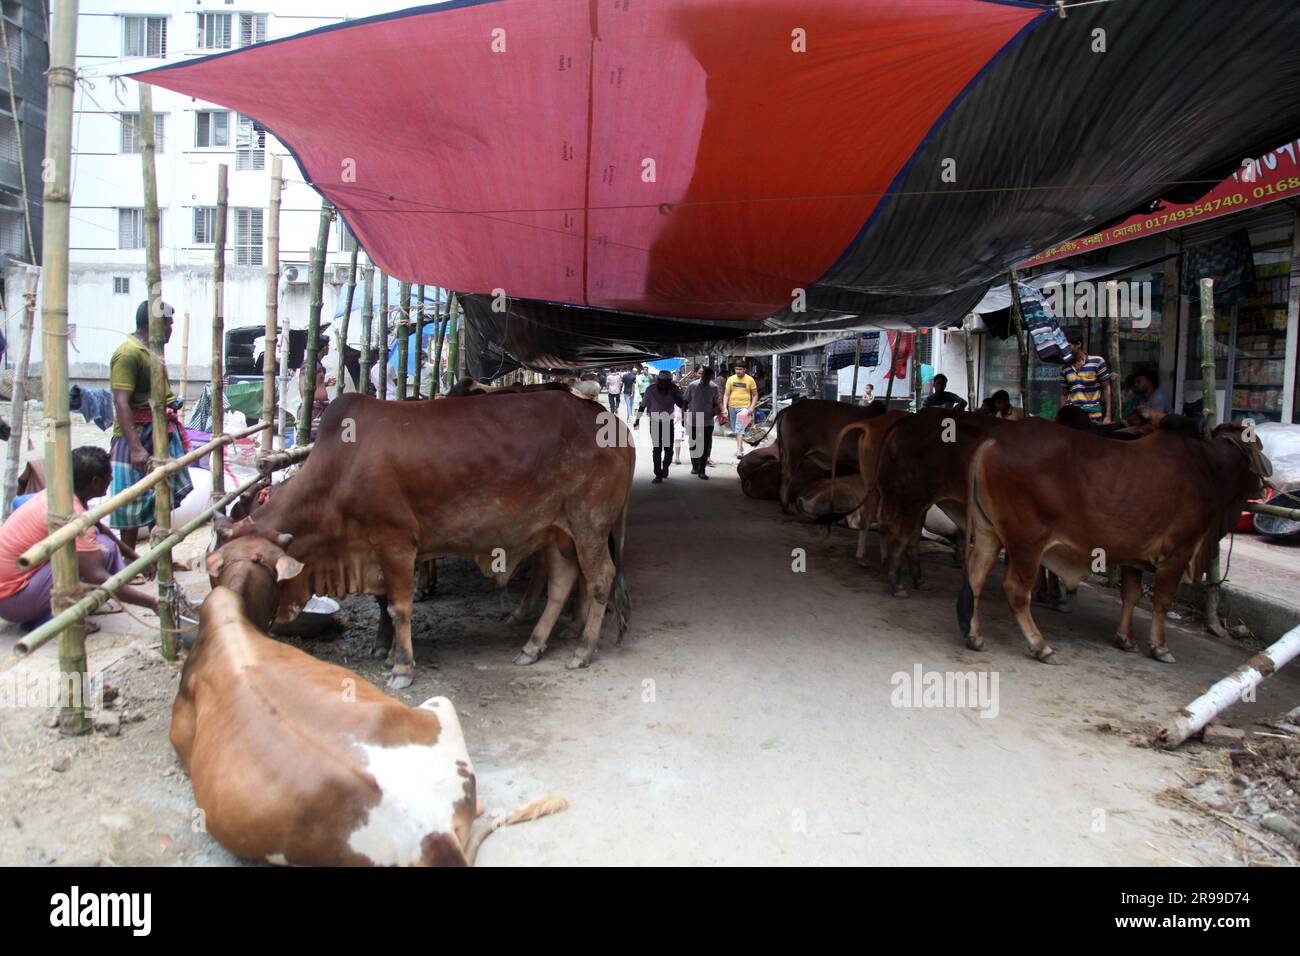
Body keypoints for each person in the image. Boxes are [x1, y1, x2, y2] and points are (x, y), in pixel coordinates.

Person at [0, 447, 158, 629]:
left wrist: (137, 559)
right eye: (109, 475)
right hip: (13, 599)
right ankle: (55, 618)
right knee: (93, 556)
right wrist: (152, 603)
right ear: (95, 482)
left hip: (11, 594)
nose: (112, 479)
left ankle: (55, 611)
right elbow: (97, 576)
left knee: (105, 546)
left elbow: (99, 527)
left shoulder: (61, 493)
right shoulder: (71, 513)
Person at [108, 300, 193, 554]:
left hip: (160, 430)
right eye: (168, 324)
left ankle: (159, 557)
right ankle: (130, 562)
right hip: (135, 434)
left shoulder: (153, 352)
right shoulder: (128, 353)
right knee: (131, 500)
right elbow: (122, 403)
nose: (171, 330)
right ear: (155, 324)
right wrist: (135, 448)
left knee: (162, 496)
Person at [634, 370, 685, 482]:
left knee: (668, 449)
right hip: (655, 421)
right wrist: (637, 419)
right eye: (663, 382)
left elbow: (682, 404)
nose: (664, 384)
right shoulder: (650, 390)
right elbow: (642, 406)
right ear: (658, 381)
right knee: (657, 449)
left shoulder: (674, 389)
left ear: (670, 381)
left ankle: (665, 466)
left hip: (668, 421)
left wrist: (675, 397)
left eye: (667, 382)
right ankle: (658, 474)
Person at [1060, 332, 1113, 424]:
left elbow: (1106, 388)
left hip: (1093, 417)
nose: (1065, 349)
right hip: (1073, 418)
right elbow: (1064, 394)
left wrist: (1108, 416)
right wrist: (1060, 417)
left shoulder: (1097, 362)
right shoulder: (1065, 368)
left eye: (1068, 346)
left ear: (1078, 344)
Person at [685, 365, 722, 479]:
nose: (707, 379)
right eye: (705, 376)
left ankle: (702, 470)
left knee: (705, 445)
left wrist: (716, 410)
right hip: (694, 418)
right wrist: (683, 417)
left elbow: (716, 402)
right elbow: (685, 401)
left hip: (707, 419)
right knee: (694, 444)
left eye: (709, 377)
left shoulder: (714, 387)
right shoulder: (693, 385)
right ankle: (695, 466)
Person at [723, 362, 758, 458]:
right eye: (736, 369)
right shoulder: (730, 379)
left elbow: (755, 395)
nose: (738, 371)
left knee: (739, 428)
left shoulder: (750, 380)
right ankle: (741, 447)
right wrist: (725, 408)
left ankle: (738, 451)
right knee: (736, 429)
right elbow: (726, 394)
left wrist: (751, 408)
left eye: (740, 369)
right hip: (732, 407)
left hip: (744, 407)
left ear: (745, 370)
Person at [304, 338, 337, 440]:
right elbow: (304, 385)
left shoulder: (316, 364)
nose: (329, 348)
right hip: (314, 407)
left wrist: (325, 384)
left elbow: (314, 384)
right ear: (323, 348)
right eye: (328, 346)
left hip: (319, 405)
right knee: (315, 438)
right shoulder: (310, 365)